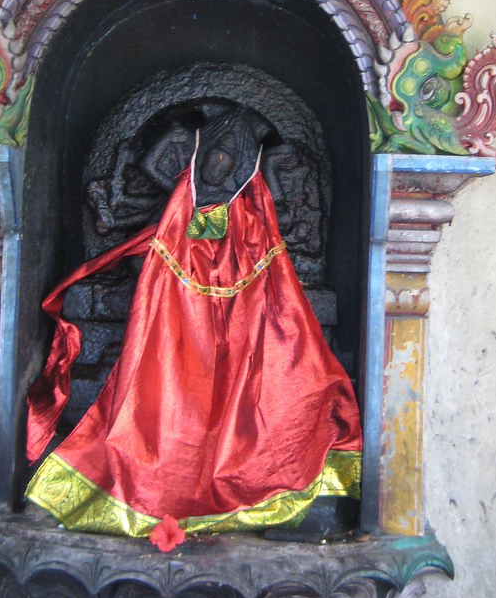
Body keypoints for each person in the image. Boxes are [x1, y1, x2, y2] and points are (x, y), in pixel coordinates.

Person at [25, 124, 362, 539]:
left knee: (296, 381)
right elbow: (155, 173)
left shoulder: (254, 192)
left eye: (227, 158)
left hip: (249, 311)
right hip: (176, 314)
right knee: (167, 396)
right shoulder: (185, 186)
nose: (220, 165)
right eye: (214, 156)